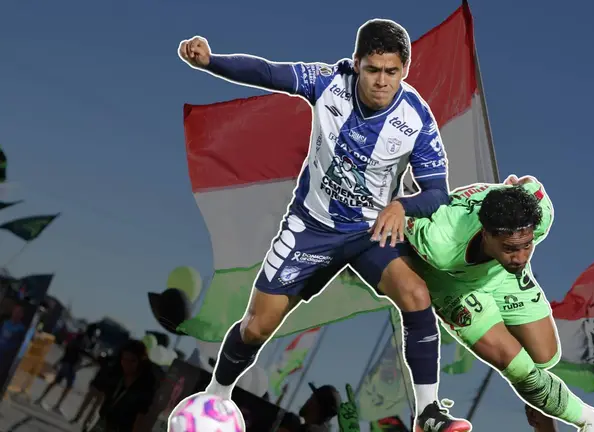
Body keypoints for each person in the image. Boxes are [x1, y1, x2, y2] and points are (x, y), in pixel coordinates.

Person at [177, 18, 471, 432]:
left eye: (391, 72)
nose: (381, 81)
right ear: (357, 63)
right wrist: (211, 62)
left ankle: (427, 412)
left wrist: (404, 206)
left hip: (369, 234)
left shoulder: (417, 119)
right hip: (311, 228)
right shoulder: (329, 81)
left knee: (416, 294)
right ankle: (218, 394)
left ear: (405, 70)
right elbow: (266, 71)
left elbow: (438, 192)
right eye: (372, 70)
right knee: (257, 327)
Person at [402, 175, 594, 431]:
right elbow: (400, 218)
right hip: (453, 285)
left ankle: (537, 392)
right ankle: (589, 419)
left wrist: (517, 186)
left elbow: (529, 183)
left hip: (503, 277)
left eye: (527, 246)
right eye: (511, 249)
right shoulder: (441, 243)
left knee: (546, 358)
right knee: (519, 367)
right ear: (486, 234)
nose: (521, 257)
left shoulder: (540, 218)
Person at [91, 339, 156, 432]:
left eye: (132, 361)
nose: (127, 364)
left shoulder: (145, 384)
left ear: (141, 361)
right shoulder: (117, 374)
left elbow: (141, 414)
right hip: (105, 422)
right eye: (124, 359)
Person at [34, 330, 89, 414]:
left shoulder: (71, 344)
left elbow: (65, 355)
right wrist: (77, 367)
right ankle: (57, 405)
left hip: (65, 364)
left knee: (55, 382)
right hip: (71, 367)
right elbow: (79, 358)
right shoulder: (81, 346)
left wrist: (58, 362)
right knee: (68, 387)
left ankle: (41, 398)